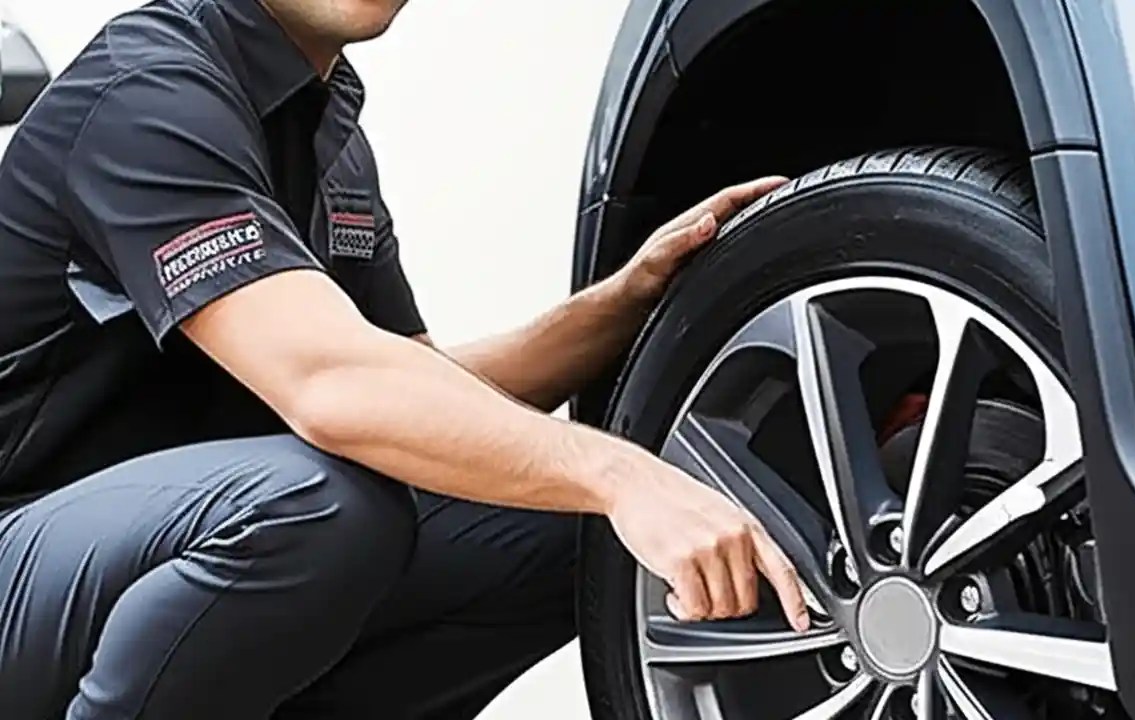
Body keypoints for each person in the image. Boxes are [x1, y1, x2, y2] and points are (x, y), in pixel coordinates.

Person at [0, 0, 810, 717]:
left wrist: (620, 304)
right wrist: (625, 476)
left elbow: (418, 387)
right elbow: (331, 385)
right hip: (23, 560)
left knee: (573, 535)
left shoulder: (326, 124)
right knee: (327, 505)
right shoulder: (147, 92)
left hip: (160, 555)